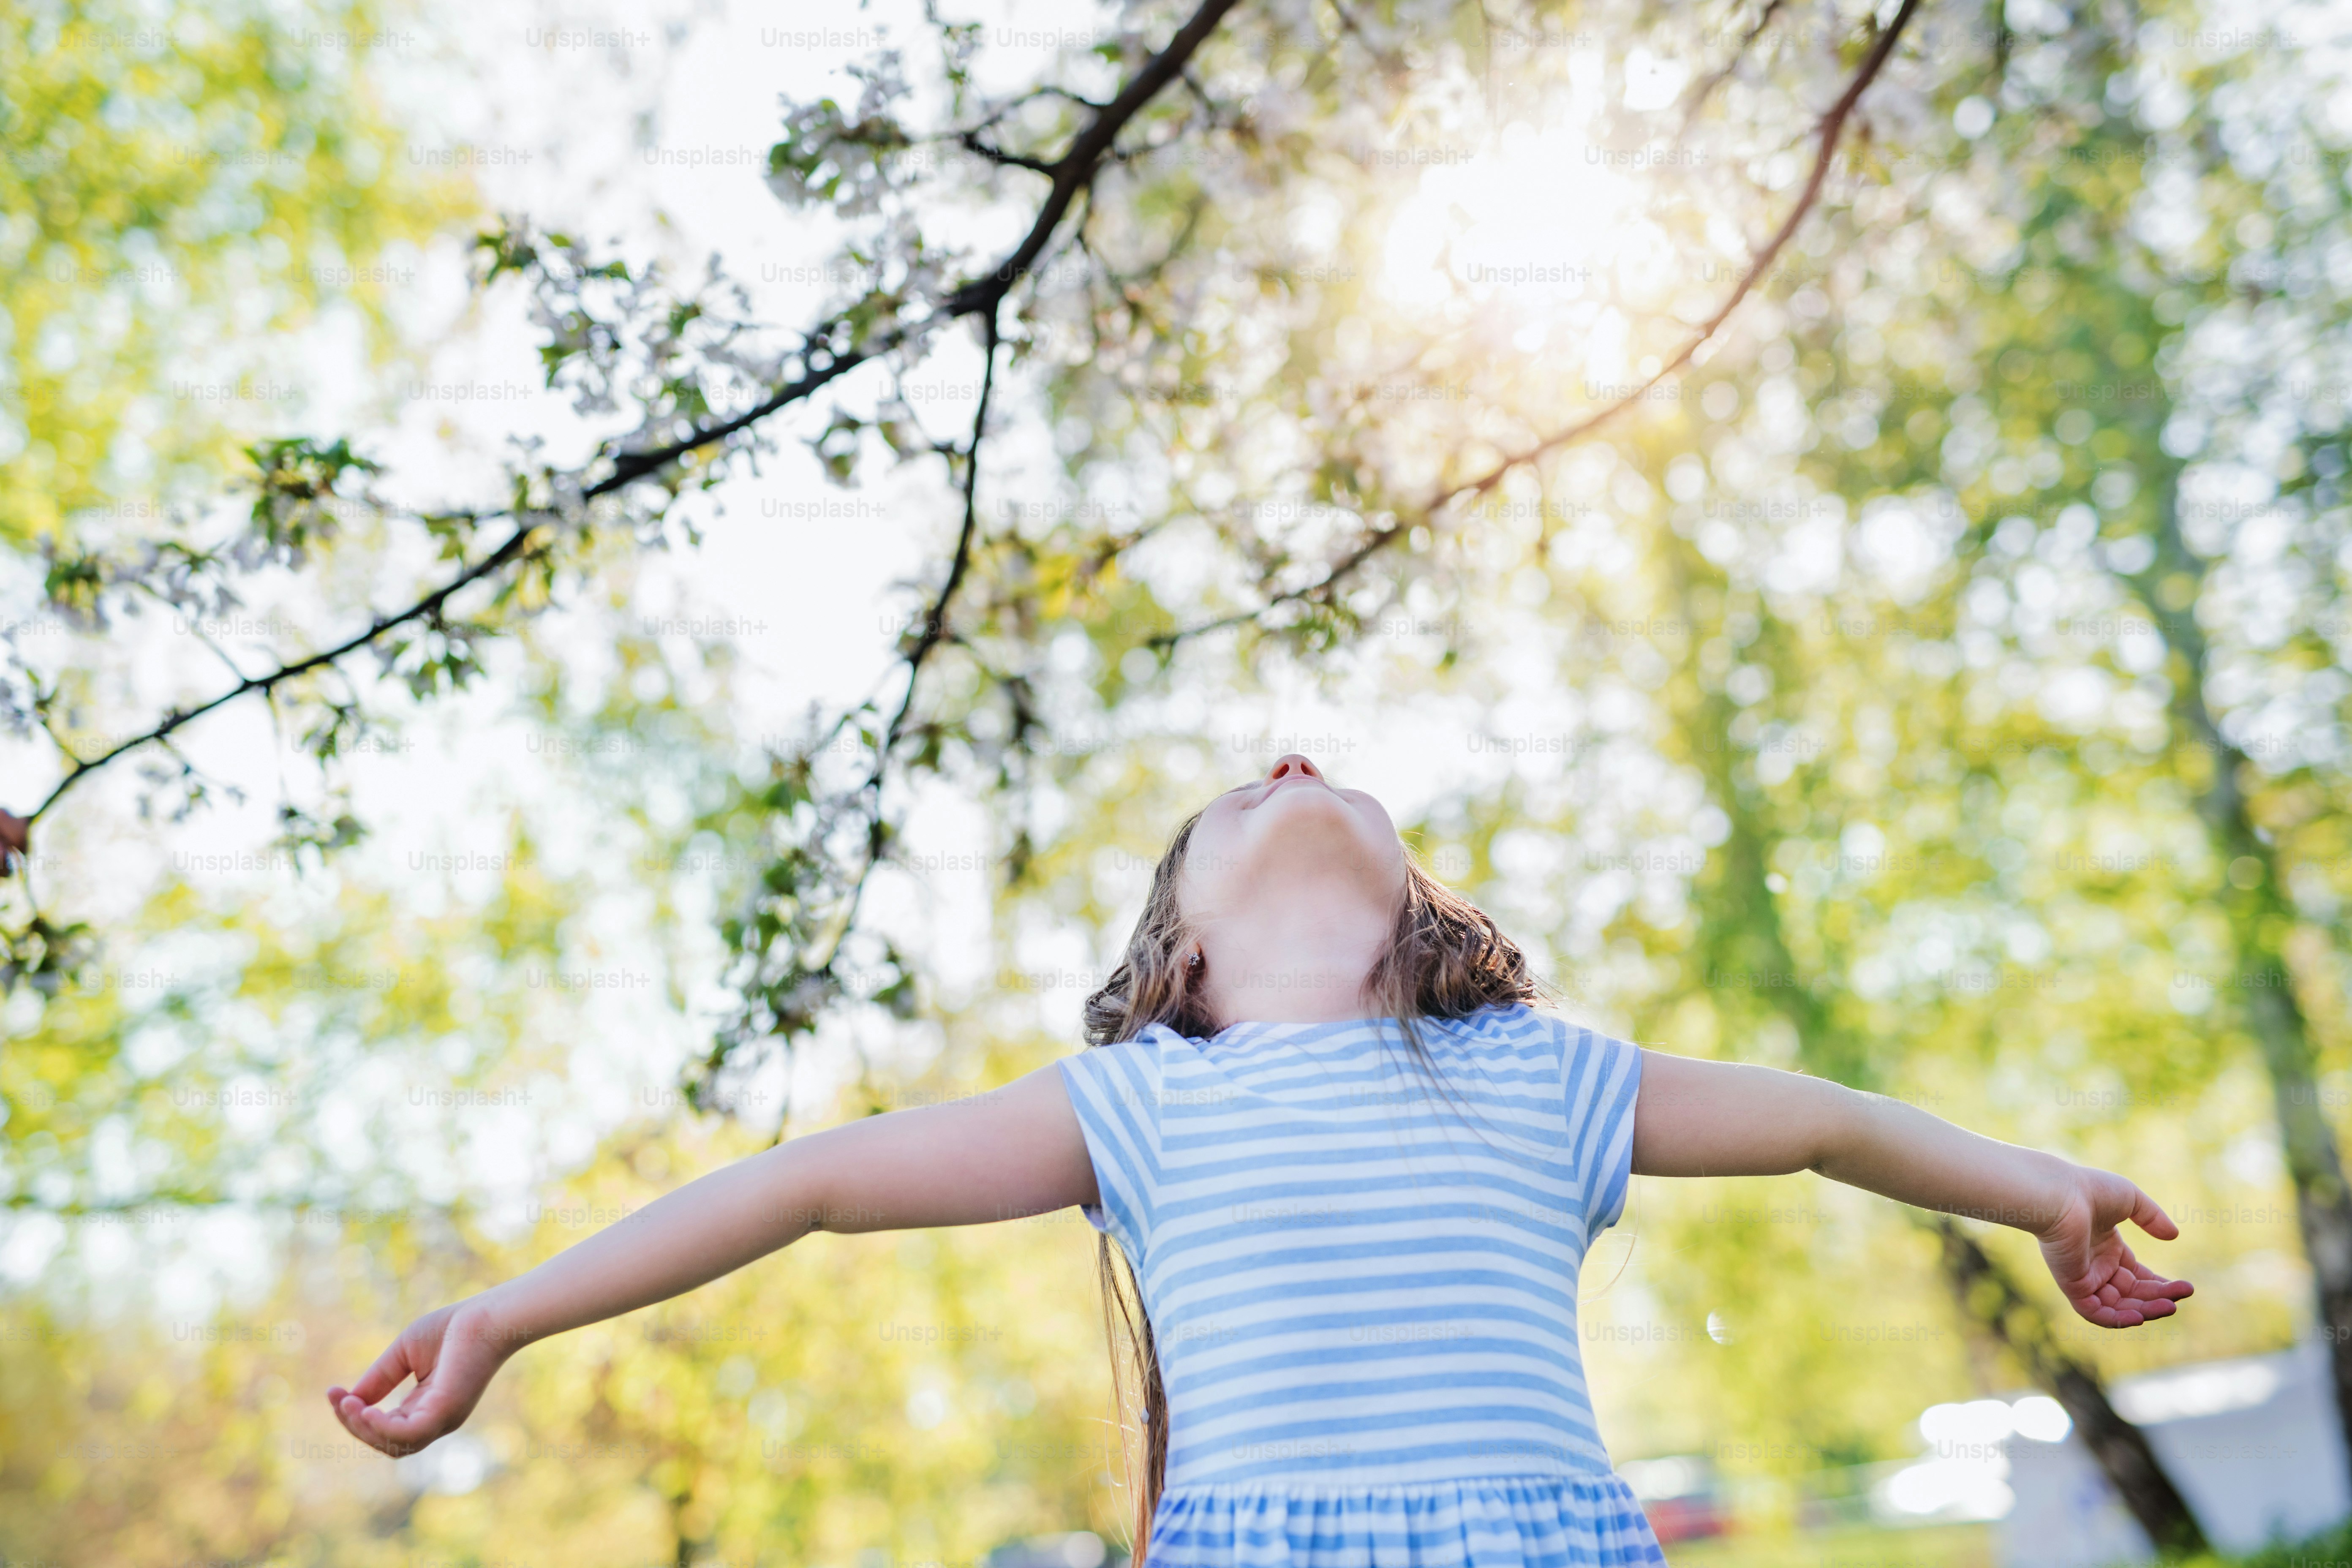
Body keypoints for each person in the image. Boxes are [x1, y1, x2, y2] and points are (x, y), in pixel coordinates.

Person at [328, 752, 2192, 1565]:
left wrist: (2034, 1182)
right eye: (1242, 791)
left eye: (1330, 780)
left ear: (1415, 907)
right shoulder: (1141, 1106)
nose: (1292, 760)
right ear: (1179, 960)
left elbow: (1822, 1125)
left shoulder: (1534, 1075)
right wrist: (505, 1312)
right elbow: (801, 1183)